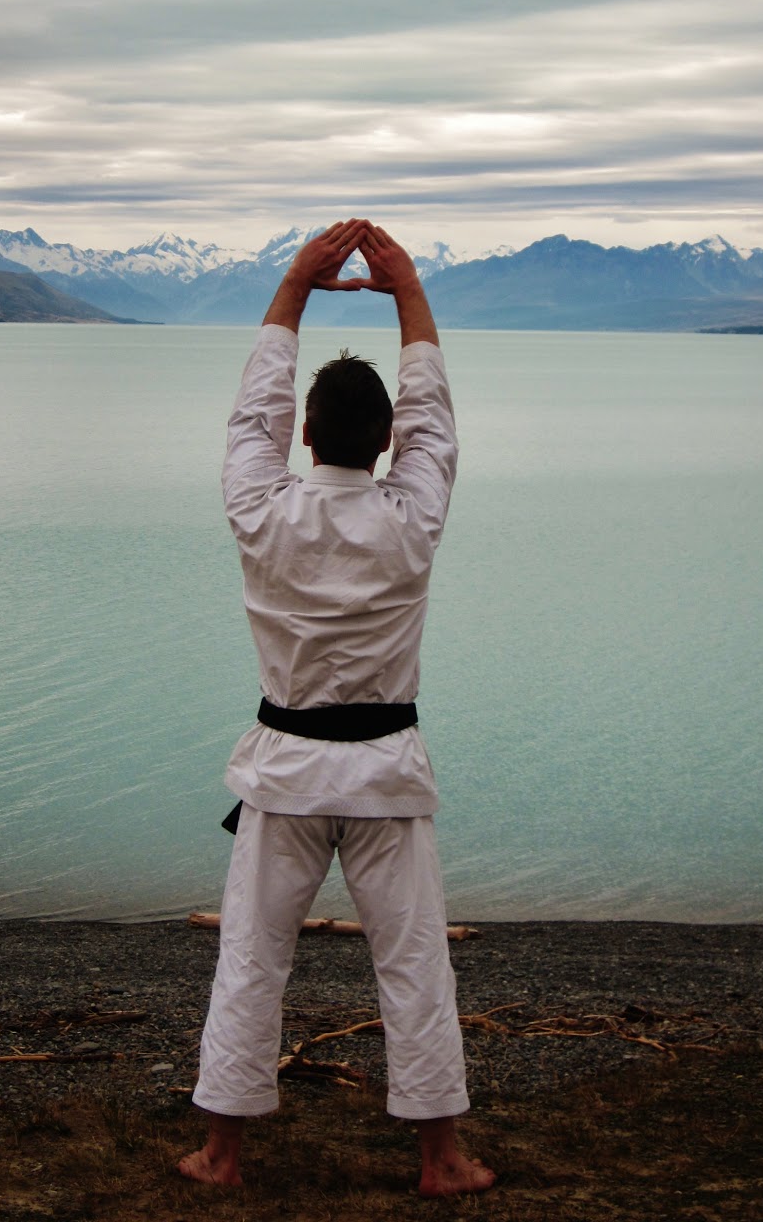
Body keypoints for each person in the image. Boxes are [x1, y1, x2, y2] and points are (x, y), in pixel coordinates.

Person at [179, 219, 494, 1196]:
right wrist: (408, 291)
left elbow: (252, 418)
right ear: (386, 442)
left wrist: (294, 285)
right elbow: (434, 421)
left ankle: (222, 1154)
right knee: (415, 966)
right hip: (385, 772)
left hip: (285, 772)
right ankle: (440, 1159)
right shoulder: (412, 516)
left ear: (307, 435)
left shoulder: (263, 509)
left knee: (251, 962)